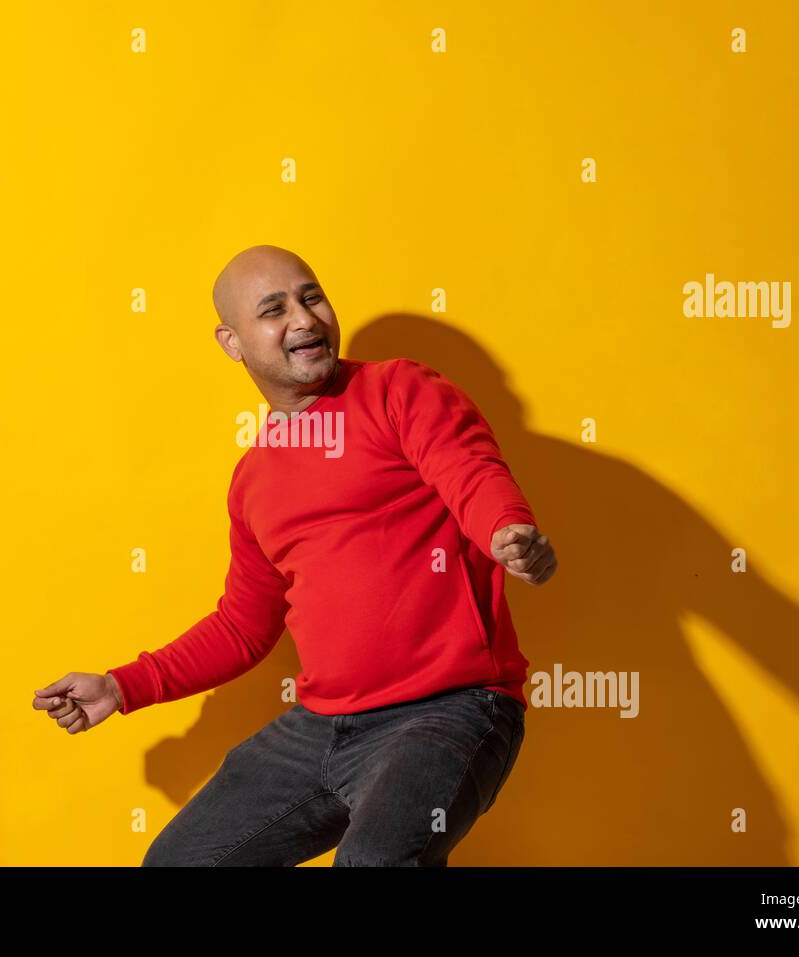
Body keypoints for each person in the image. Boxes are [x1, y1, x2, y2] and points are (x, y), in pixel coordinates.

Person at [33, 244, 558, 865]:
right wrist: (122, 687)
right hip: (318, 729)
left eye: (312, 297)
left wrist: (506, 530)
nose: (304, 320)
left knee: (375, 863)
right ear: (232, 342)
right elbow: (241, 627)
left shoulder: (398, 390)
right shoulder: (253, 479)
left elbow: (470, 472)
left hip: (446, 714)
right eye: (274, 309)